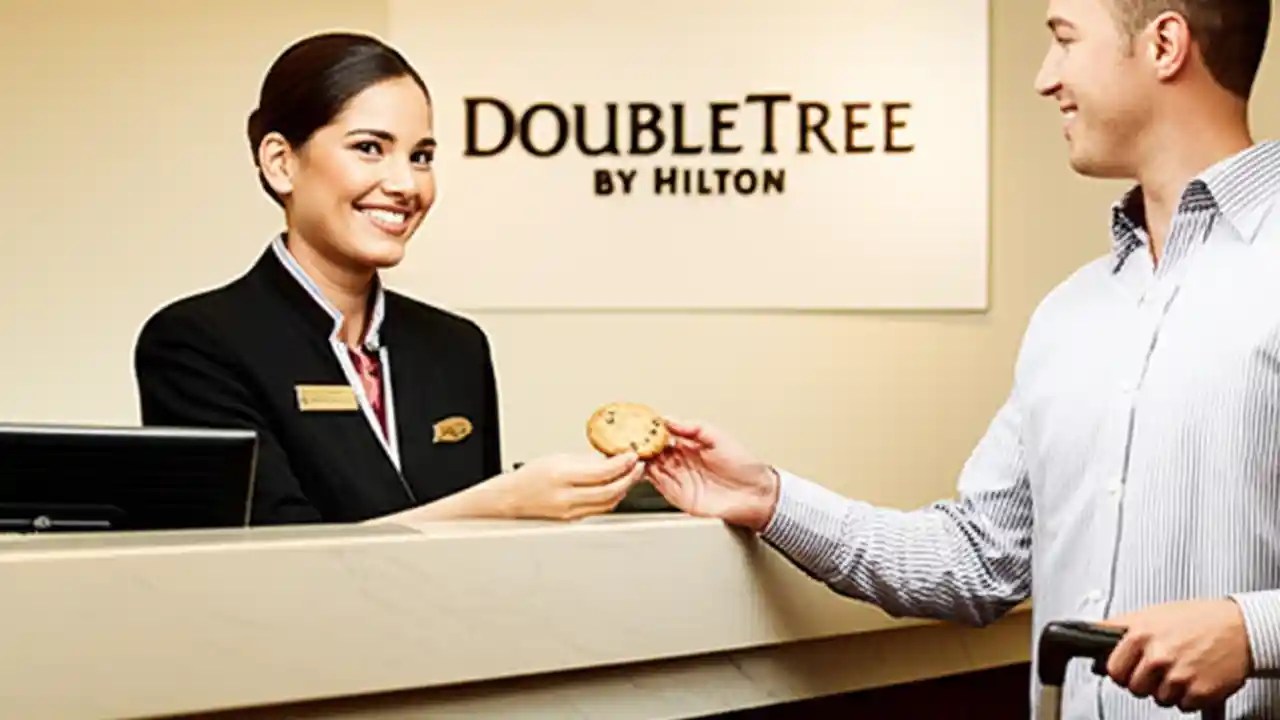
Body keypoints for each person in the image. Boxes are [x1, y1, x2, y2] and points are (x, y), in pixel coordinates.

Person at [645, 0, 1280, 716]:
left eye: (1065, 40)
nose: (1046, 78)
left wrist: (1252, 631)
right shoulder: (1071, 314)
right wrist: (769, 498)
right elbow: (979, 560)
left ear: (1164, 45)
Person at [134, 32, 641, 526]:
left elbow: (481, 562)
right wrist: (501, 504)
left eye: (421, 157)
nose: (405, 184)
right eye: (369, 148)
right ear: (281, 163)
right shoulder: (197, 343)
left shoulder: (456, 347)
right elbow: (271, 557)